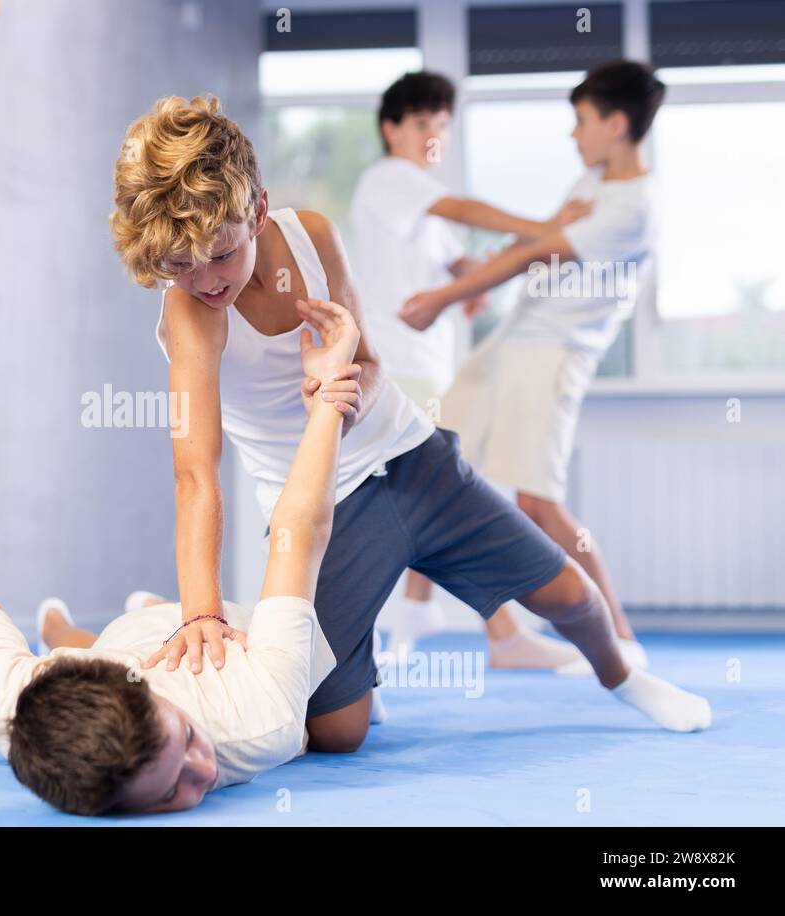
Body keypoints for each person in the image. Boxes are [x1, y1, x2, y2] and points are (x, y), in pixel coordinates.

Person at [108, 94, 708, 757]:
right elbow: (196, 473)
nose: (205, 280)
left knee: (572, 595)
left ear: (255, 209)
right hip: (319, 512)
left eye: (220, 255)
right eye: (179, 266)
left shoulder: (311, 237)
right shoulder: (192, 316)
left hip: (414, 461)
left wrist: (339, 385)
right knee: (337, 733)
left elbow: (369, 363)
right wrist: (201, 610)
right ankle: (202, 624)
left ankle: (627, 679)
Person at [0, 299, 359, 815]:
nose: (204, 770)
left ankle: (109, 616)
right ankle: (89, 623)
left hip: (221, 634)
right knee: (100, 647)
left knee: (342, 727)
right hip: (124, 648)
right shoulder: (35, 722)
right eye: (169, 793)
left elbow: (297, 532)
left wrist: (329, 398)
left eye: (185, 739)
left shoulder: (256, 718)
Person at [400, 60, 665, 674]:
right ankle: (426, 612)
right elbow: (537, 240)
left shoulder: (636, 205)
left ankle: (620, 638)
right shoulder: (593, 178)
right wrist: (467, 278)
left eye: (582, 122)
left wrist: (440, 301)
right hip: (513, 343)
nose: (574, 135)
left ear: (617, 124)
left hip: (553, 353)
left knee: (537, 503)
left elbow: (542, 251)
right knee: (429, 456)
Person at [352, 70, 596, 667]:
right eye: (420, 124)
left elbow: (466, 265)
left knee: (424, 492)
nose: (433, 135)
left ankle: (429, 619)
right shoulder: (390, 181)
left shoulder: (426, 216)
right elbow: (466, 207)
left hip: (429, 369)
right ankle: (492, 630)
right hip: (396, 364)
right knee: (435, 492)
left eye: (441, 125)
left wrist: (474, 282)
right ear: (391, 130)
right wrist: (548, 226)